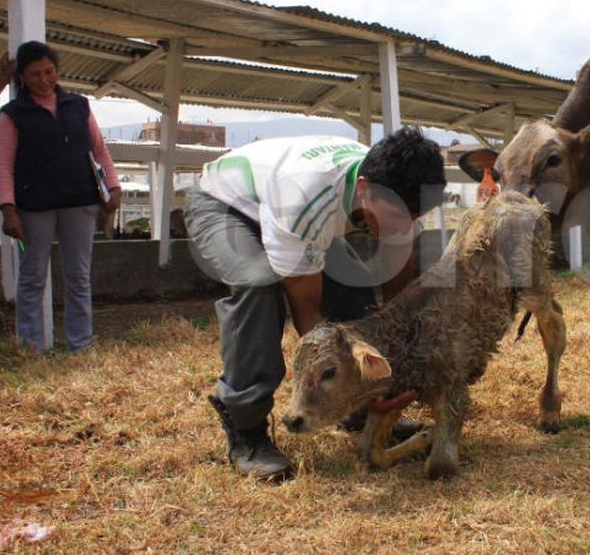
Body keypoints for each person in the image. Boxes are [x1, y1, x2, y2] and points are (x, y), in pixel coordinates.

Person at [184, 126, 446, 481]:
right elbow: (308, 316)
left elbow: (395, 300)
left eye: (411, 220)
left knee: (355, 297)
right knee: (258, 288)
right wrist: (358, 376)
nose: (401, 227)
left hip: (294, 212)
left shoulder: (398, 195)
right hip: (227, 204)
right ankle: (246, 428)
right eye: (394, 217)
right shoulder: (307, 199)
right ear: (365, 189)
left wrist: (390, 366)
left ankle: (355, 411)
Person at [0, 41, 122, 353]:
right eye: (34, 74)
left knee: (79, 276)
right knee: (32, 277)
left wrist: (114, 187)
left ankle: (80, 345)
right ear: (21, 77)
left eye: (48, 72)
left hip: (80, 201)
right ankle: (31, 347)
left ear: (57, 70)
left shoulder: (78, 105)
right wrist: (8, 209)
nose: (43, 79)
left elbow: (99, 149)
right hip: (32, 207)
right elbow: (4, 166)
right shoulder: (12, 115)